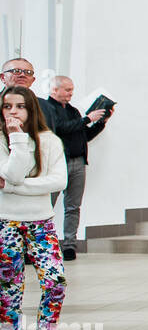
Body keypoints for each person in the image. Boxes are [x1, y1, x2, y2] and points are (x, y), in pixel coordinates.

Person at [1, 86, 76, 330]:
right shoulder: (1, 140)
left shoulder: (50, 141)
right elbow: (11, 172)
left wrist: (15, 187)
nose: (13, 112)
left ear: (31, 109)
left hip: (41, 223)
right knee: (10, 289)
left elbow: (58, 182)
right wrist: (17, 139)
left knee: (55, 282)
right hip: (6, 222)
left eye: (20, 106)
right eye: (7, 107)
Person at [40, 76, 111, 258]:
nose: (71, 93)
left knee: (73, 206)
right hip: (58, 164)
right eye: (67, 90)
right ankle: (39, 244)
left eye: (72, 89)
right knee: (46, 205)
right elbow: (60, 128)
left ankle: (70, 245)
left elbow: (83, 135)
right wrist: (87, 118)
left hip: (78, 162)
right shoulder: (47, 109)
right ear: (54, 90)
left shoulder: (73, 111)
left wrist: (101, 122)